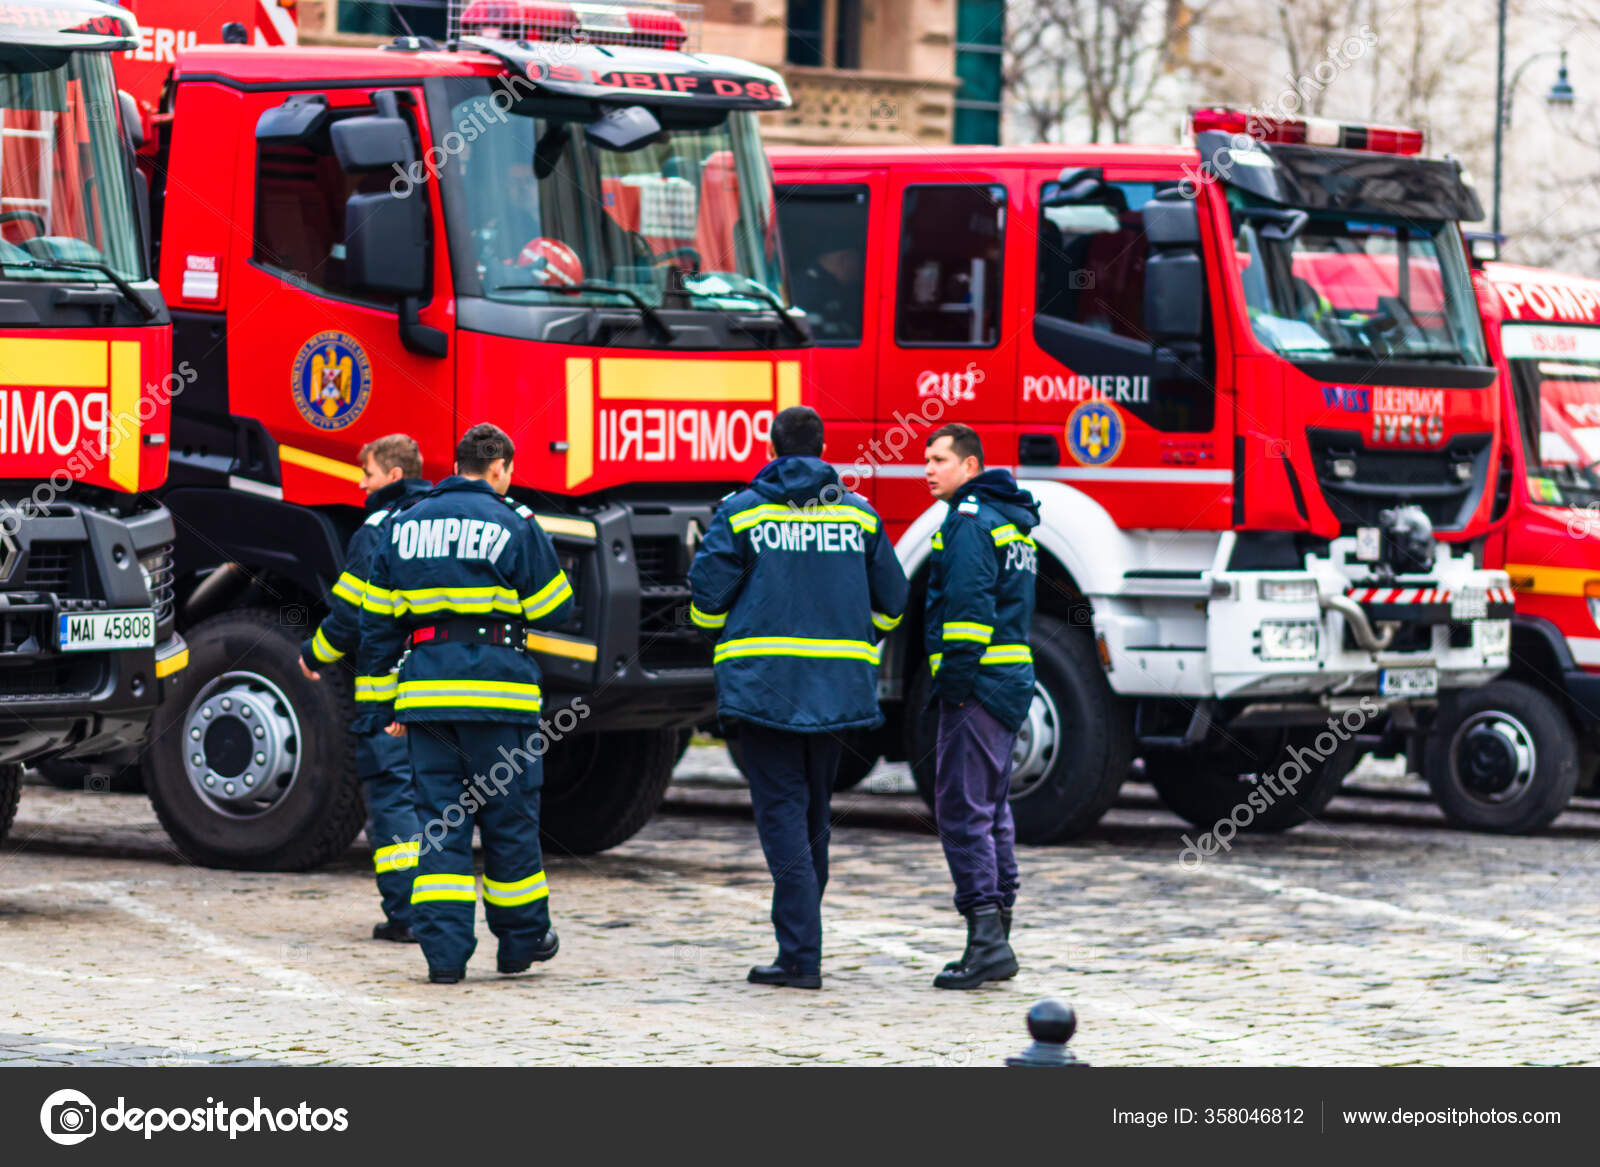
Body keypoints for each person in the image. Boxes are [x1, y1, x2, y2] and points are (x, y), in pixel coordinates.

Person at [689, 405, 908, 990]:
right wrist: (853, 637)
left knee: (783, 817)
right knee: (814, 816)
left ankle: (800, 955)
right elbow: (892, 601)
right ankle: (800, 942)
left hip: (763, 690)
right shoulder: (859, 515)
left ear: (772, 447)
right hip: (838, 691)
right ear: (821, 446)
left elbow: (705, 602)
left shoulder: (741, 512)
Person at [356, 423, 574, 984]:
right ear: (498, 467)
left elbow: (376, 627)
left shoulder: (402, 525)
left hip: (428, 702)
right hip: (502, 702)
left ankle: (445, 958)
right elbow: (555, 609)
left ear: (456, 464)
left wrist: (383, 708)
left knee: (439, 828)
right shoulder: (516, 521)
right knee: (510, 825)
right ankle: (521, 944)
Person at [299, 434, 431, 943]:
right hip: (447, 690)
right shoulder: (444, 521)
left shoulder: (379, 529)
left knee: (395, 801)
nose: (361, 483)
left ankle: (407, 914)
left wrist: (314, 655)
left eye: (369, 474)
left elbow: (351, 616)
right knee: (439, 800)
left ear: (393, 477)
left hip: (389, 695)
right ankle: (446, 914)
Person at [922, 422, 1039, 990]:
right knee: (993, 810)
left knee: (962, 811)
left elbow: (967, 616)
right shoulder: (1014, 525)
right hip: (1012, 680)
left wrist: (953, 685)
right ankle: (998, 932)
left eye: (940, 459)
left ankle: (986, 940)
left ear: (970, 467)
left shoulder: (969, 524)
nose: (928, 469)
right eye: (927, 458)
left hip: (979, 683)